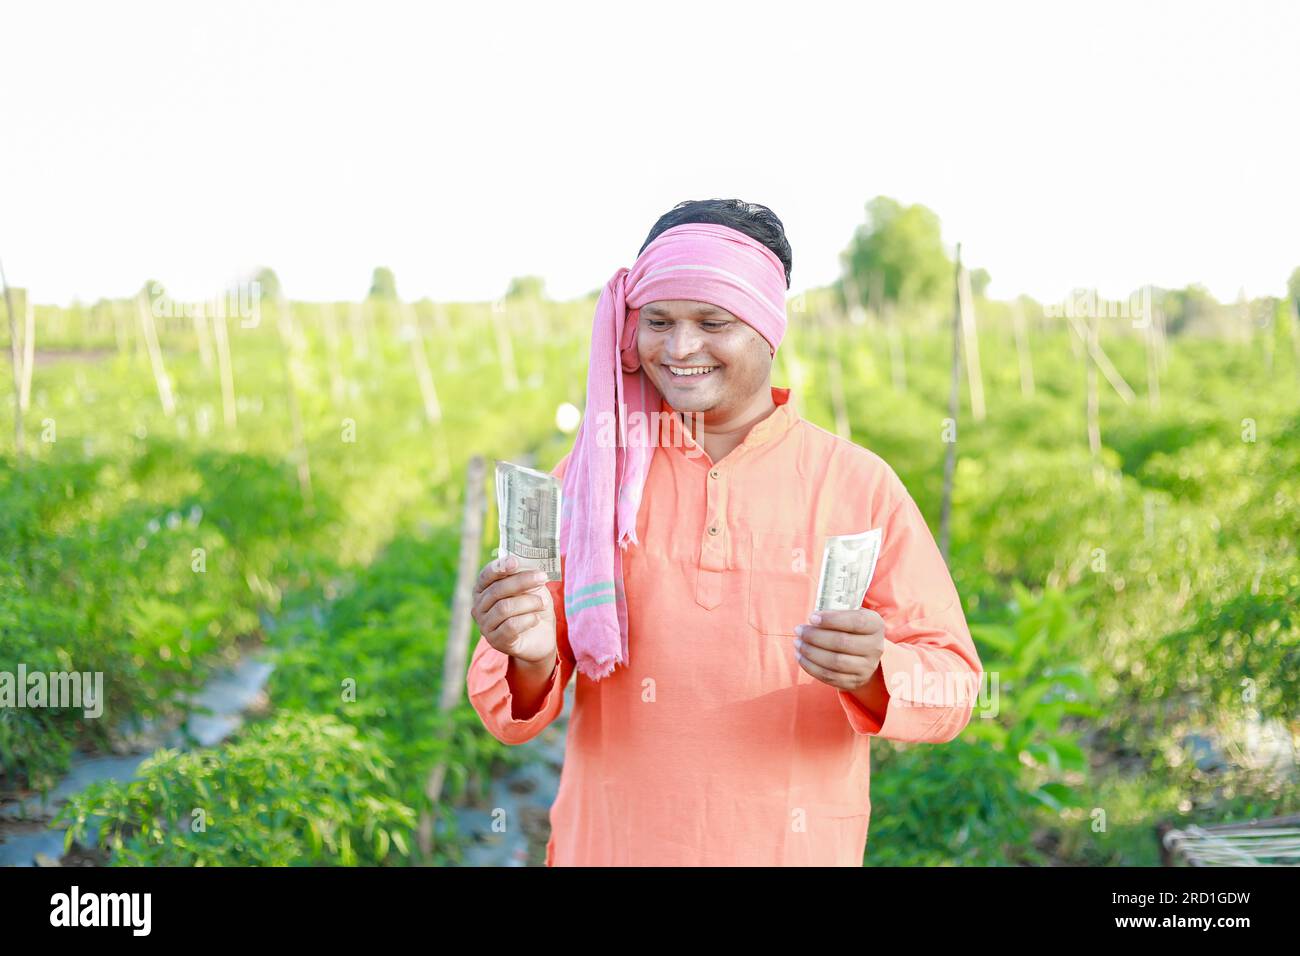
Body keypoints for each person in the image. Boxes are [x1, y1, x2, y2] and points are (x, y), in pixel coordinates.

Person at [467, 198, 983, 866]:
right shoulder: (592, 478)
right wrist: (531, 654)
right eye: (657, 321)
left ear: (769, 327)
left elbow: (954, 681)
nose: (680, 349)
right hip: (614, 846)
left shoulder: (857, 484)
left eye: (713, 321)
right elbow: (507, 703)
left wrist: (874, 672)